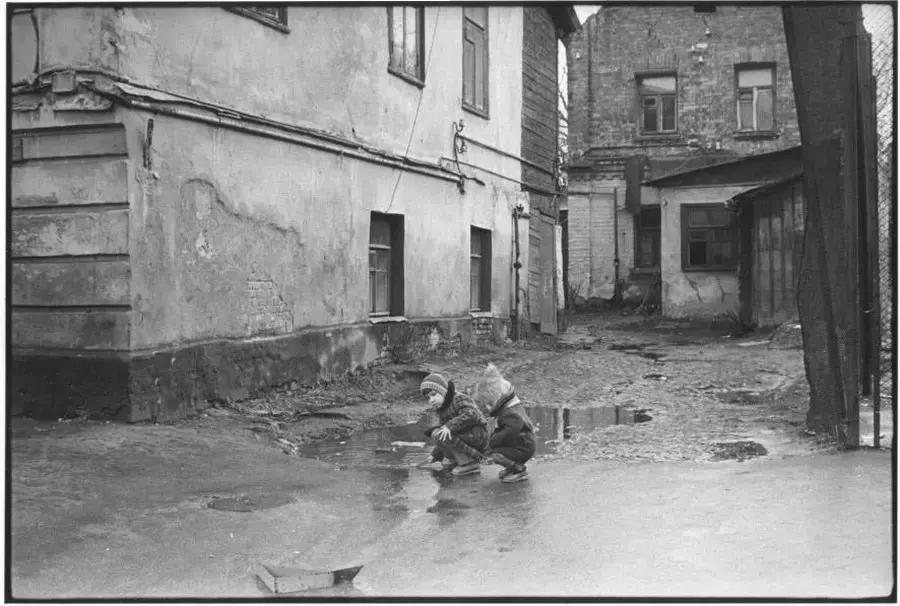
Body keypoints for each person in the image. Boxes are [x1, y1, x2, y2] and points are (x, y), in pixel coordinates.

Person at [472, 364, 535, 483]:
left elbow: (511, 430)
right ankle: (512, 467)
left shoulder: (509, 412)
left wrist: (492, 442)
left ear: (496, 399)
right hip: (521, 444)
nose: (487, 407)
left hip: (523, 446)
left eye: (488, 403)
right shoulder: (508, 409)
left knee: (496, 455)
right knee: (495, 451)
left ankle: (518, 470)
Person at [417, 373, 489, 476]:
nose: (431, 400)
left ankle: (470, 462)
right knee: (436, 433)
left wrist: (449, 426)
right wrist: (434, 455)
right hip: (465, 435)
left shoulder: (459, 398)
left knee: (443, 432)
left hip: (479, 435)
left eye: (433, 394)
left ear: (443, 391)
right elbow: (442, 434)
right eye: (428, 398)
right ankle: (455, 459)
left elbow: (471, 414)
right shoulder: (441, 407)